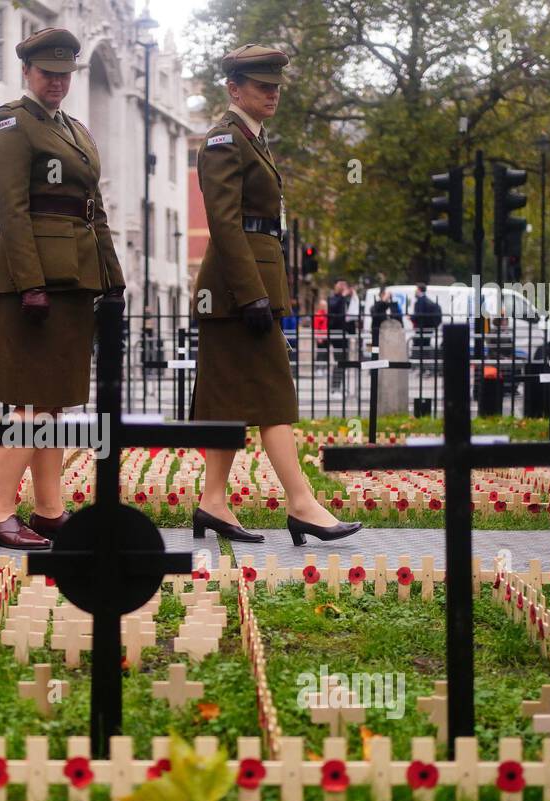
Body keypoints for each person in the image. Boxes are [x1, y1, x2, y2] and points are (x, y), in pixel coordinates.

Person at [190, 43, 360, 547]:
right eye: (262, 86)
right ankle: (302, 503)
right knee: (274, 398)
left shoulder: (252, 138)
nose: (272, 94)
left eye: (276, 86)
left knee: (227, 402)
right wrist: (251, 294)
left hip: (249, 287)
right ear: (234, 88)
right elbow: (224, 222)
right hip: (237, 291)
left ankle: (212, 502)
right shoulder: (224, 139)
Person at [0, 27, 125, 549]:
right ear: (27, 72)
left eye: (65, 75)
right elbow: (11, 210)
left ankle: (48, 509)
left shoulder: (76, 130)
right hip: (34, 285)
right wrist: (31, 284)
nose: (58, 82)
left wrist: (112, 277)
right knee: (32, 403)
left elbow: (93, 209)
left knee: (54, 404)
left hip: (75, 281)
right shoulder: (13, 122)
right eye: (48, 74)